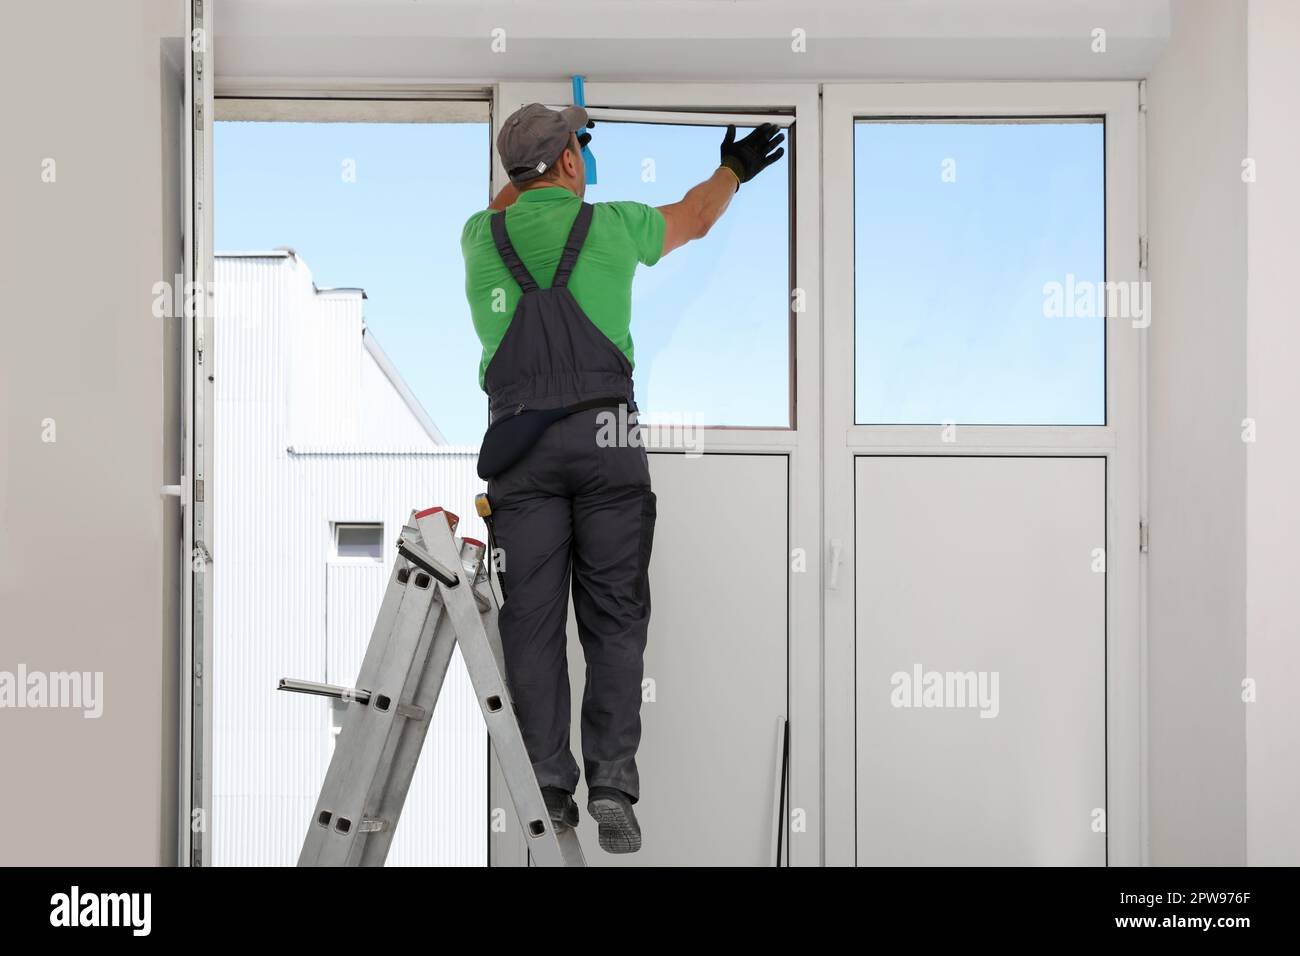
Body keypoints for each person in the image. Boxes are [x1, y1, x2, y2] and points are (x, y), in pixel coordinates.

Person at [460, 102, 784, 853]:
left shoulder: (480, 237)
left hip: (518, 451)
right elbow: (696, 217)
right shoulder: (613, 225)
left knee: (530, 622)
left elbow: (510, 199)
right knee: (614, 618)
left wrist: (543, 165)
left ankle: (549, 785)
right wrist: (733, 169)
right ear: (573, 162)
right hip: (605, 440)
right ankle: (610, 782)